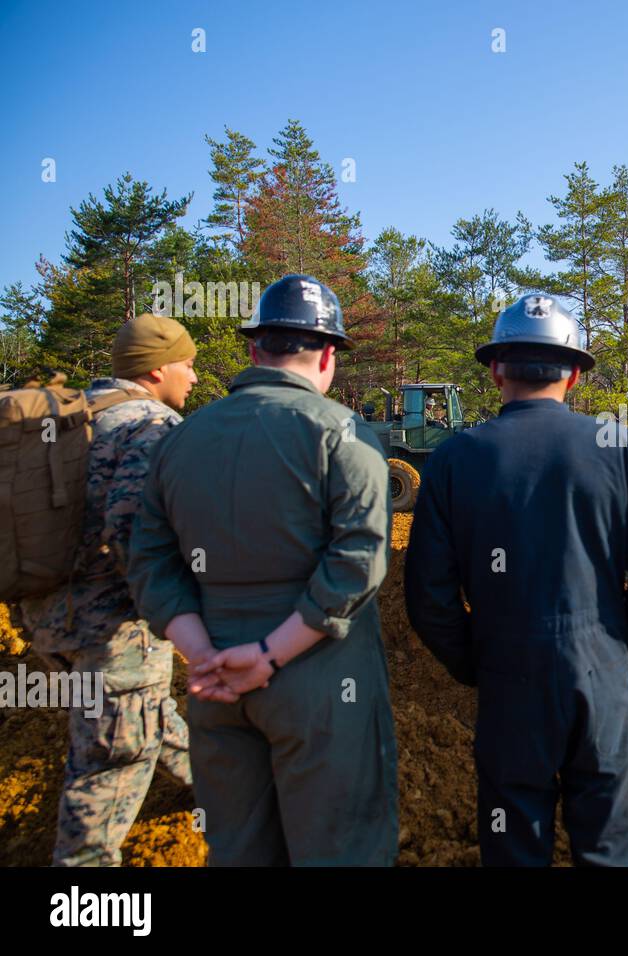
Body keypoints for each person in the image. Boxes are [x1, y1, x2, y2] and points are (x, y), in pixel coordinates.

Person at [405, 292, 628, 866]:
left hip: (509, 679)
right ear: (576, 374)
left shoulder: (457, 458)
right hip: (600, 674)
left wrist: (475, 661)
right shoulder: (621, 450)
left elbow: (428, 595)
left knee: (513, 846)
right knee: (607, 847)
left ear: (495, 370)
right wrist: (625, 649)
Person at [127, 274, 397, 866]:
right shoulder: (342, 433)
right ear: (328, 354)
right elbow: (358, 563)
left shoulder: (182, 438)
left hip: (214, 679)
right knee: (341, 849)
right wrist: (270, 655)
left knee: (241, 850)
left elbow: (148, 559)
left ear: (255, 350)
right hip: (320, 678)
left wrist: (201, 651)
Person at [20, 313, 198, 866]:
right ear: (155, 369)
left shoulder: (79, 415)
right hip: (116, 632)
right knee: (109, 768)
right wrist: (185, 616)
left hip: (50, 616)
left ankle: (222, 782)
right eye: (187, 365)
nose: (192, 377)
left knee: (145, 715)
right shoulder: (149, 426)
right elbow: (133, 537)